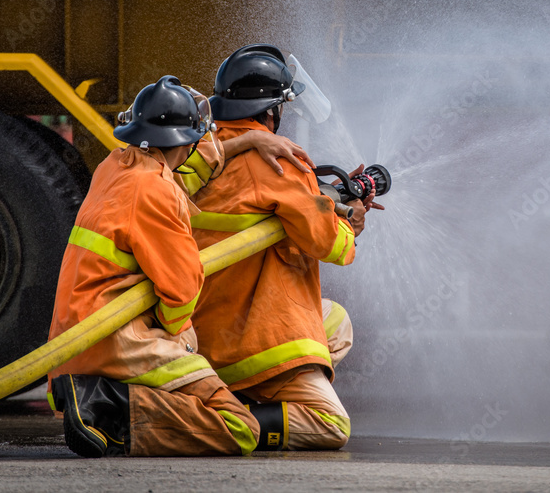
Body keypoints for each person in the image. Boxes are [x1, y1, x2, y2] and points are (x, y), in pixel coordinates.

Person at [47, 76, 259, 458]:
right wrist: (180, 340)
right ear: (187, 141)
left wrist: (249, 141)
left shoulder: (113, 167)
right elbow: (180, 293)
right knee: (240, 427)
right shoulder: (157, 191)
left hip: (72, 347)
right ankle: (105, 402)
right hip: (116, 344)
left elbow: (180, 176)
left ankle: (101, 407)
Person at [190, 44, 376, 451]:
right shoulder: (277, 162)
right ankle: (238, 413)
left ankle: (236, 391)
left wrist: (325, 197)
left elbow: (268, 205)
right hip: (249, 335)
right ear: (271, 111)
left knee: (336, 323)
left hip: (199, 326)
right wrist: (352, 223)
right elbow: (330, 245)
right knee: (331, 426)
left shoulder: (199, 150)